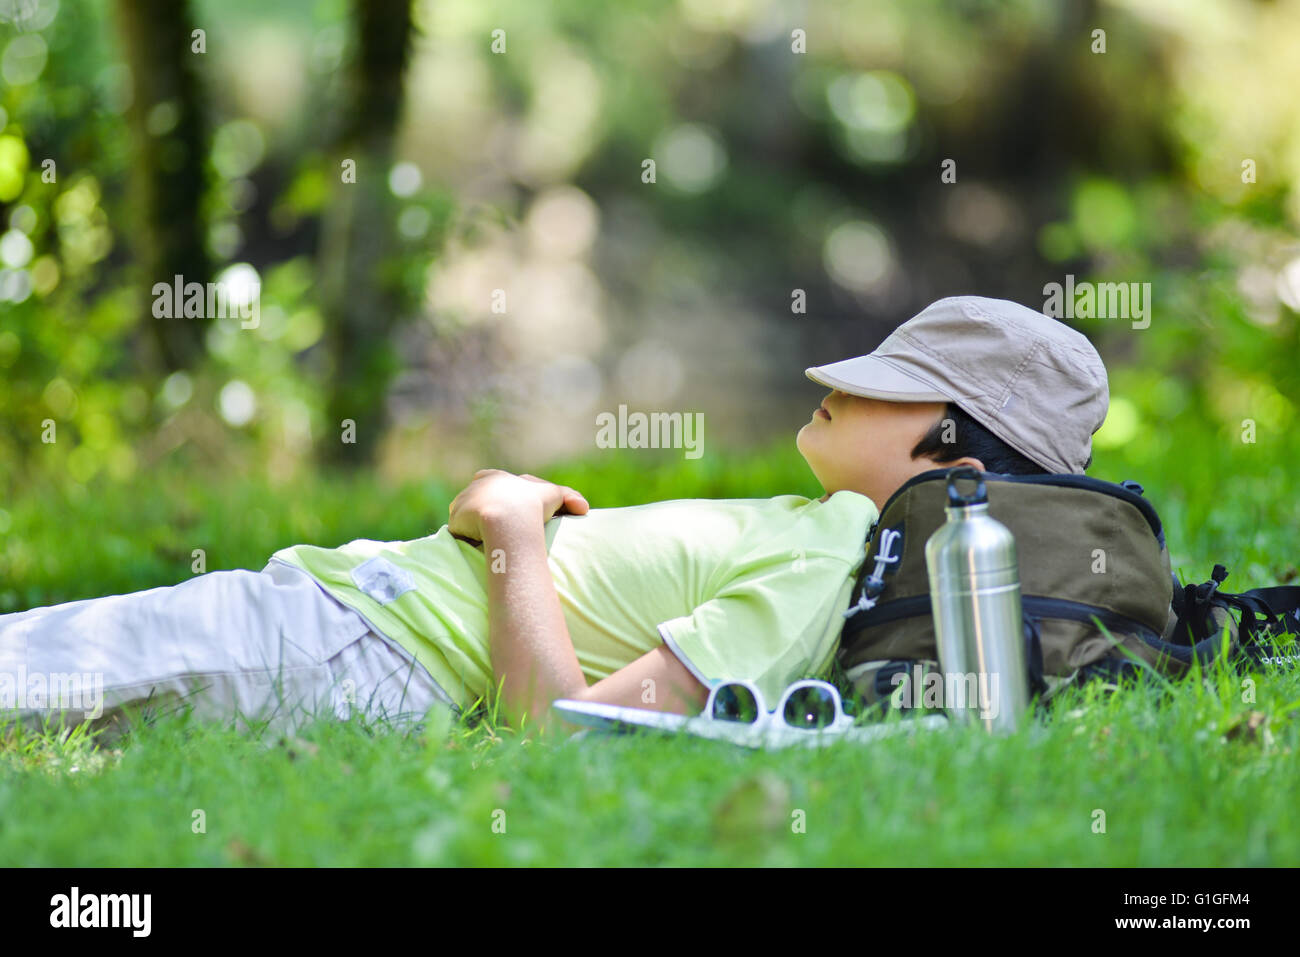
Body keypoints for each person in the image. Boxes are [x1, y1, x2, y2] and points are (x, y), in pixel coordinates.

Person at [0, 296, 1108, 741]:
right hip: (341, 630)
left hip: (356, 642)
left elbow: (567, 736)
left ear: (951, 439)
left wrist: (512, 530)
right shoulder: (819, 531)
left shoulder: (831, 556)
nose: (841, 385)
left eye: (886, 383)